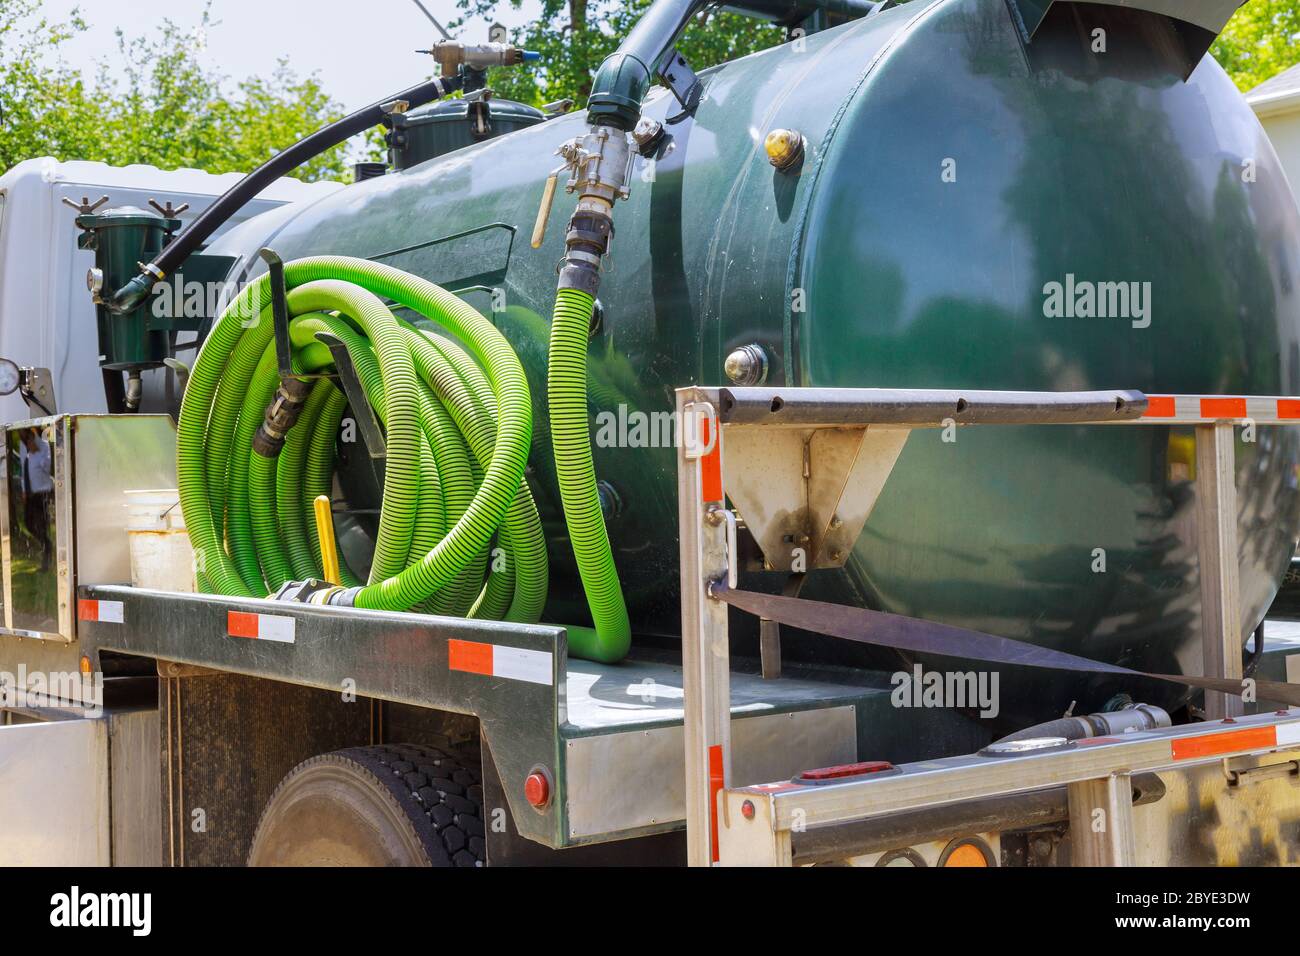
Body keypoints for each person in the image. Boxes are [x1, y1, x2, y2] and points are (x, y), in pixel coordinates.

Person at [21, 429, 53, 571]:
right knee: (28, 523)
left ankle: (46, 561)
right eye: (26, 442)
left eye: (29, 440)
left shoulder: (44, 447)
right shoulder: (28, 456)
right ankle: (46, 543)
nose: (28, 444)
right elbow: (25, 474)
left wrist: (38, 451)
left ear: (33, 439)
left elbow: (48, 467)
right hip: (31, 496)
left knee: (42, 526)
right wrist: (24, 491)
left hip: (43, 495)